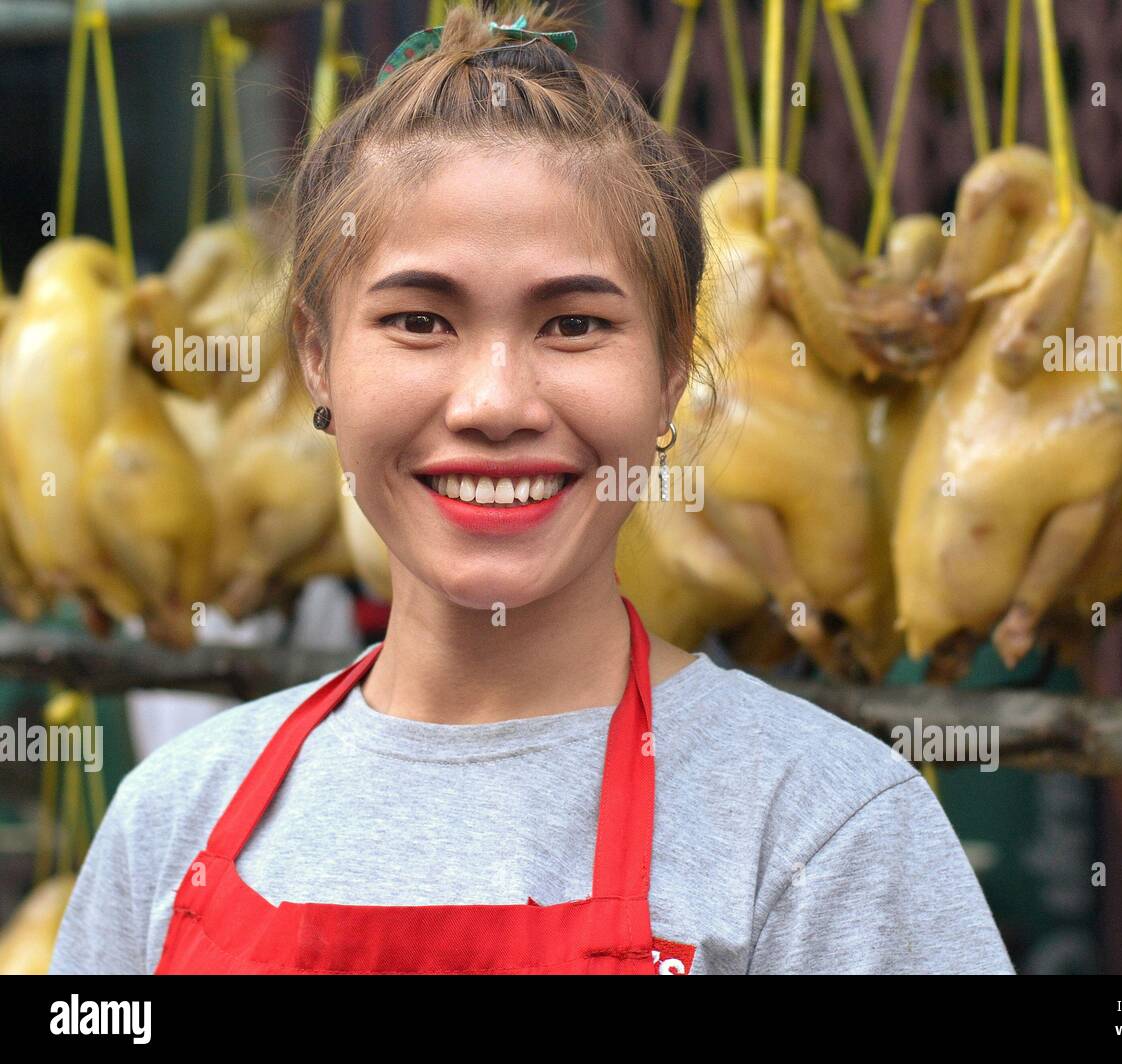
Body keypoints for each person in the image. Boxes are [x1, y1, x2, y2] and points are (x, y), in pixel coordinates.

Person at [49, 1, 1013, 975]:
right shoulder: (171, 822)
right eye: (420, 320)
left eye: (574, 325)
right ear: (317, 357)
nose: (495, 402)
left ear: (672, 372)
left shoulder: (824, 830)